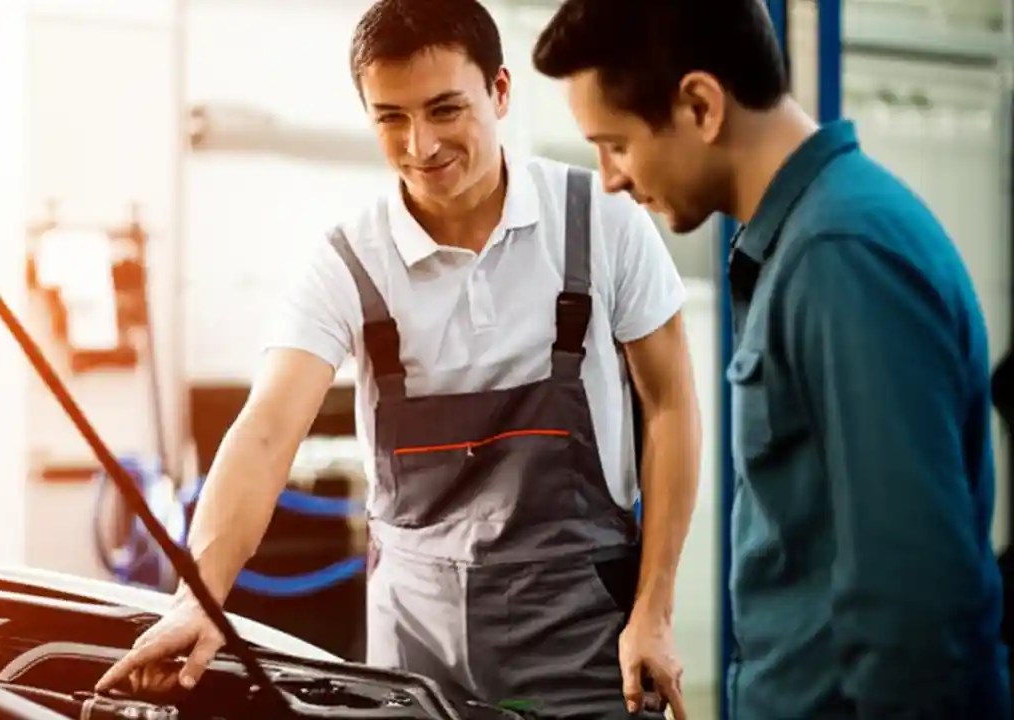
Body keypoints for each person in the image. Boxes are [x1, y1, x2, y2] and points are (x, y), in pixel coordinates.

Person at [96, 1, 702, 717]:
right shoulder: (349, 263)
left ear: (500, 92)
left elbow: (670, 408)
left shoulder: (602, 223)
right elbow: (264, 433)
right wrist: (197, 600)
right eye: (391, 118)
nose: (421, 145)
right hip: (415, 664)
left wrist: (655, 610)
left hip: (585, 647)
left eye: (446, 110)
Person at [531, 0, 1012, 718]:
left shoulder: (841, 257)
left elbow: (912, 612)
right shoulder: (801, 245)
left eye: (618, 145)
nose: (609, 178)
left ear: (700, 105)